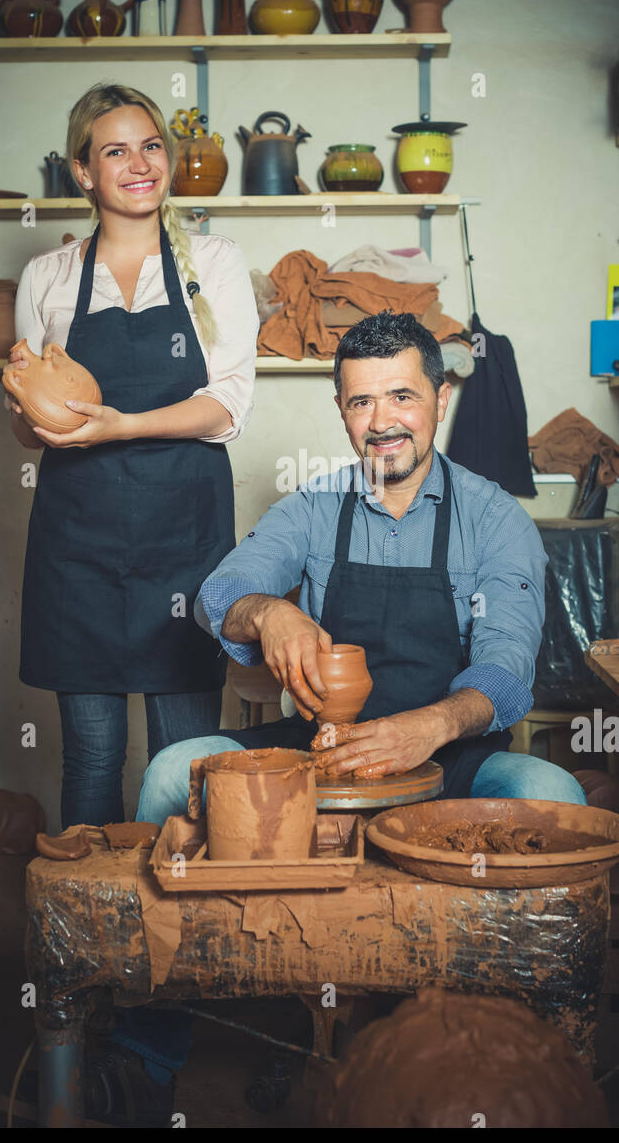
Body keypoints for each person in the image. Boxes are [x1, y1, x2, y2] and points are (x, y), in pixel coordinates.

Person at [138, 311, 586, 822]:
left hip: (449, 757)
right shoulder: (313, 505)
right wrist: (266, 613)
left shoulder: (496, 518)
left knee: (550, 790)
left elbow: (507, 670)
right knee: (172, 769)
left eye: (402, 396)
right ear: (341, 410)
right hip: (321, 753)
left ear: (440, 401)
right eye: (361, 402)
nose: (381, 422)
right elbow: (218, 595)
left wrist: (429, 727)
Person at [7, 81, 259, 829]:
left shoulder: (213, 263)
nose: (139, 163)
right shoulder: (47, 278)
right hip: (75, 546)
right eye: (115, 150)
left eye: (151, 146)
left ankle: (179, 930)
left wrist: (117, 426)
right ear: (83, 172)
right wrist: (25, 401)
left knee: (181, 760)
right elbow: (27, 429)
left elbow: (229, 403)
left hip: (184, 539)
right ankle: (91, 932)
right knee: (89, 756)